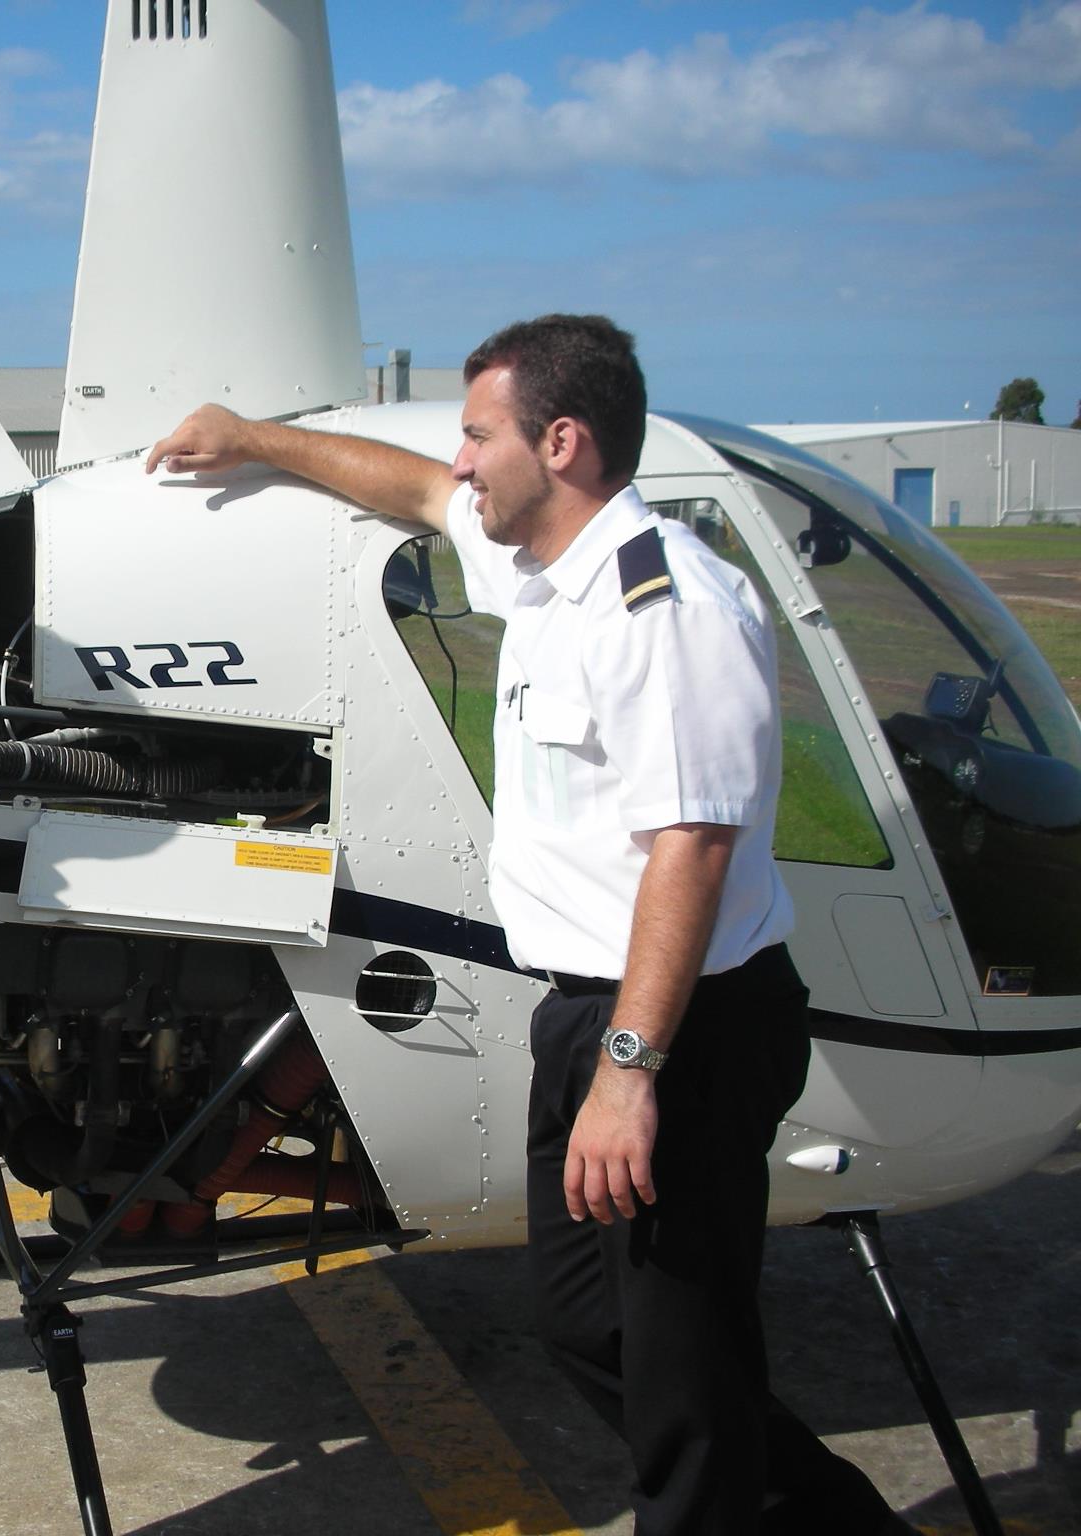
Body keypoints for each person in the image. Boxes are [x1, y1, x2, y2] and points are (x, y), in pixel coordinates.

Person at [144, 314, 909, 1535]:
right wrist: (251, 438)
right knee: (586, 1328)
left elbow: (691, 848)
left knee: (680, 1366)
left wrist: (629, 1070)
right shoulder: (544, 571)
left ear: (560, 443)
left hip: (680, 1028)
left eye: (476, 435)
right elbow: (410, 491)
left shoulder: (662, 606)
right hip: (586, 1015)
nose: (458, 462)